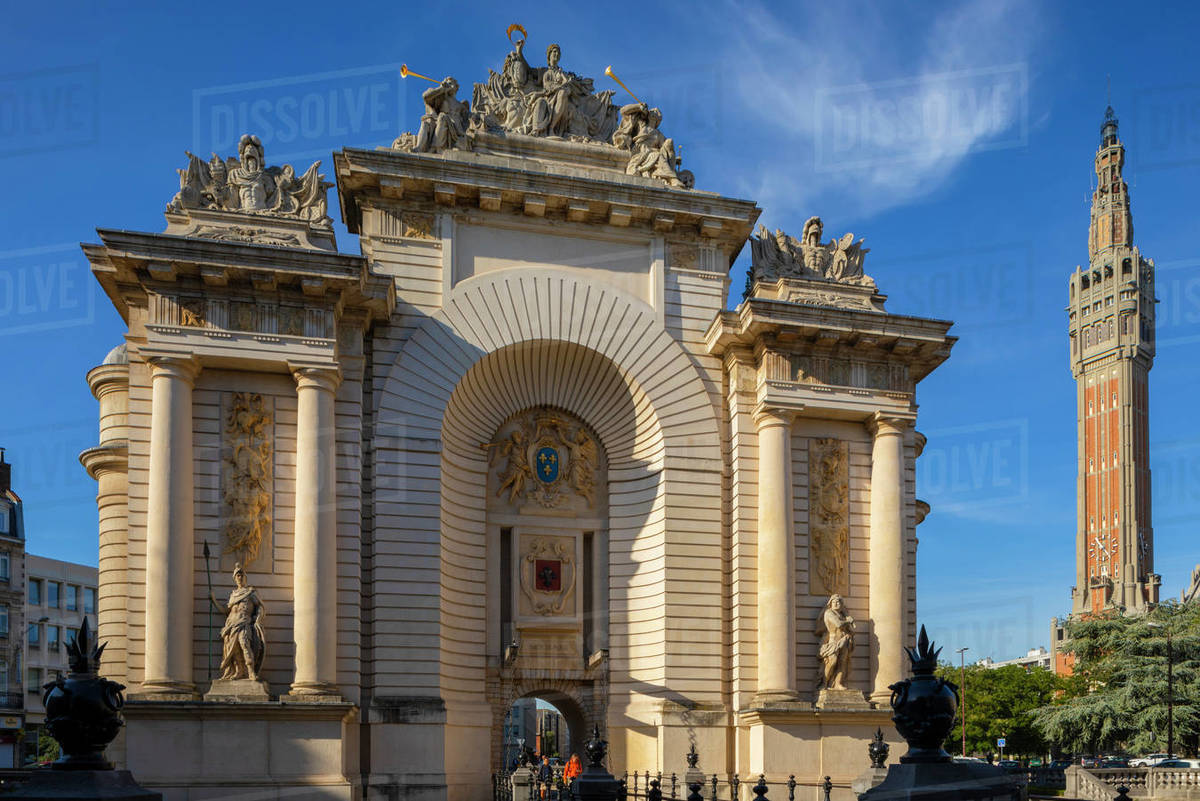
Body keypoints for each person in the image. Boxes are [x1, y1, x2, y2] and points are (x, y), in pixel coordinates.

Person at [209, 562, 266, 682]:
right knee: (234, 650)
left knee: (244, 644)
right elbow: (226, 610)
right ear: (235, 579)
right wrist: (214, 600)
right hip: (231, 624)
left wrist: (258, 620)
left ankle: (251, 672)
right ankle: (239, 670)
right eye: (237, 576)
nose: (239, 578)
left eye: (241, 575)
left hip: (244, 622)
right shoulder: (233, 595)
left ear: (245, 577)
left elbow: (260, 607)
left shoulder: (250, 592)